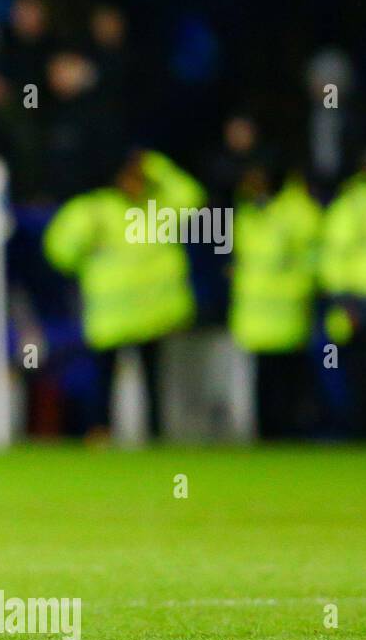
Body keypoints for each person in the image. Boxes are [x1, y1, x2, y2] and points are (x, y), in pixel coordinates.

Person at [44, 149, 204, 437]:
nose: (134, 184)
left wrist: (157, 165)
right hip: (110, 316)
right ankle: (100, 433)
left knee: (153, 381)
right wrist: (84, 239)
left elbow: (193, 198)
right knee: (103, 380)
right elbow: (59, 251)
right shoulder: (94, 209)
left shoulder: (158, 206)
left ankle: (156, 436)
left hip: (152, 314)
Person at [228, 166, 321, 437]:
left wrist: (301, 290)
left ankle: (295, 433)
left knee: (291, 381)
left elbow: (312, 259)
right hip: (255, 317)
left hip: (288, 312)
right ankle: (266, 435)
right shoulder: (247, 213)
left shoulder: (298, 211)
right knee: (263, 381)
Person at [320, 145, 366, 437]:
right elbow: (334, 255)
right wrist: (344, 302)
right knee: (364, 371)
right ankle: (364, 431)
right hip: (364, 303)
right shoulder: (352, 204)